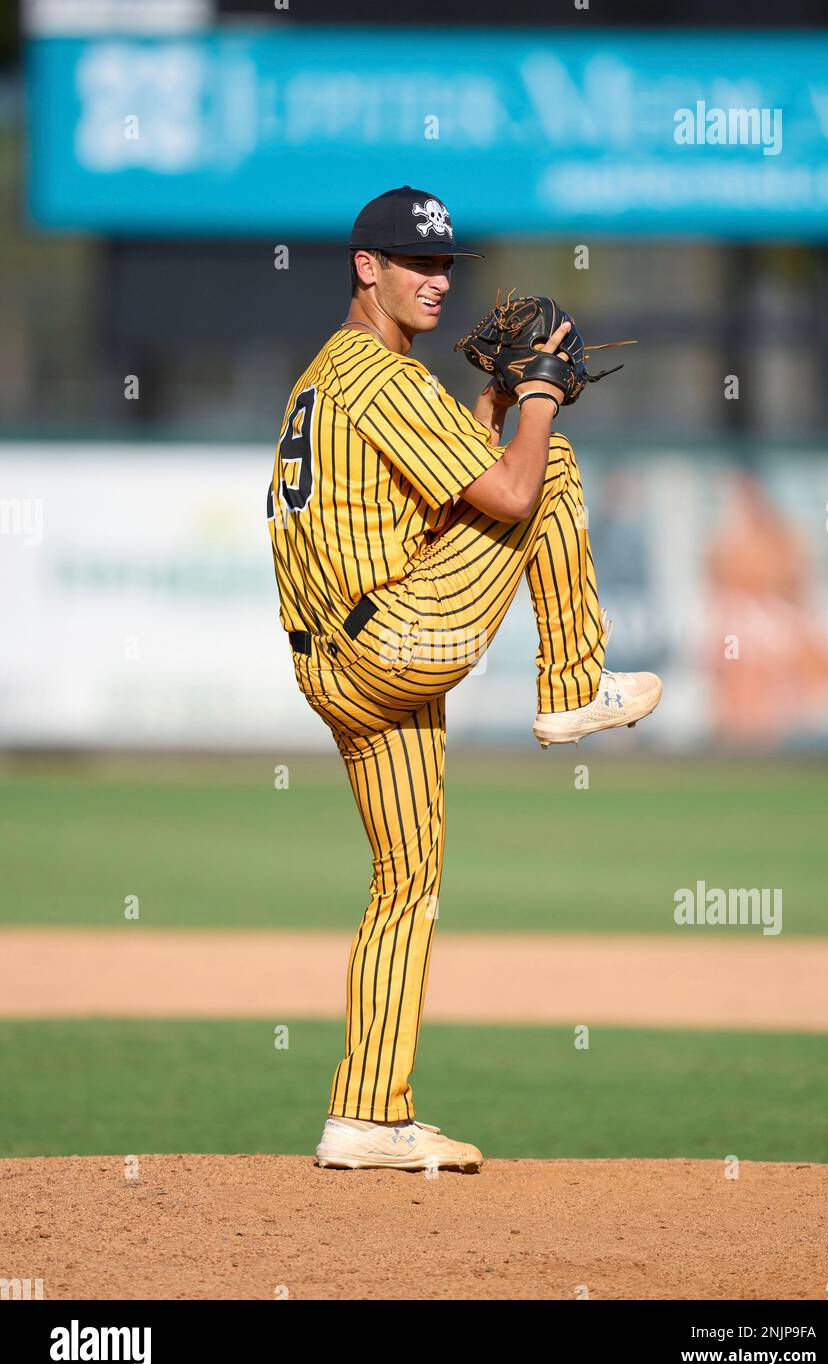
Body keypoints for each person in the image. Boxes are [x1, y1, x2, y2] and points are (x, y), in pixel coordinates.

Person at [267, 186, 662, 1172]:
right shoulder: (383, 379)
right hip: (394, 637)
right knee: (557, 461)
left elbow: (456, 512)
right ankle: (571, 682)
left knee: (407, 878)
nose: (436, 280)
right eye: (414, 262)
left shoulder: (328, 376)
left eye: (444, 264)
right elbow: (517, 490)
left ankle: (365, 1114)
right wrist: (534, 397)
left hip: (340, 665)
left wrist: (489, 403)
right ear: (367, 267)